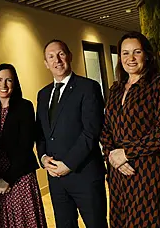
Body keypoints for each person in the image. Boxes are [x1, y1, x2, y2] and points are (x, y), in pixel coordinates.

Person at [100, 31, 160, 227]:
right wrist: (113, 157)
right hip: (120, 175)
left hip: (150, 172)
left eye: (136, 52)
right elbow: (105, 129)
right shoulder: (116, 89)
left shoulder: (159, 85)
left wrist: (127, 153)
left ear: (146, 55)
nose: (130, 58)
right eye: (125, 53)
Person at [36, 39, 107, 228]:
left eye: (61, 54)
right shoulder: (43, 94)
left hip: (85, 176)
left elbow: (91, 131)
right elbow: (41, 132)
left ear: (69, 56)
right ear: (45, 63)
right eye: (51, 57)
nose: (57, 60)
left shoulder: (88, 87)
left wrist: (68, 164)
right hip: (56, 180)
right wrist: (43, 157)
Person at [0, 63, 47, 228]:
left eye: (8, 80)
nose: (3, 85)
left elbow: (25, 146)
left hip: (20, 177)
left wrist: (8, 179)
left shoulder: (25, 107)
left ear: (15, 83)